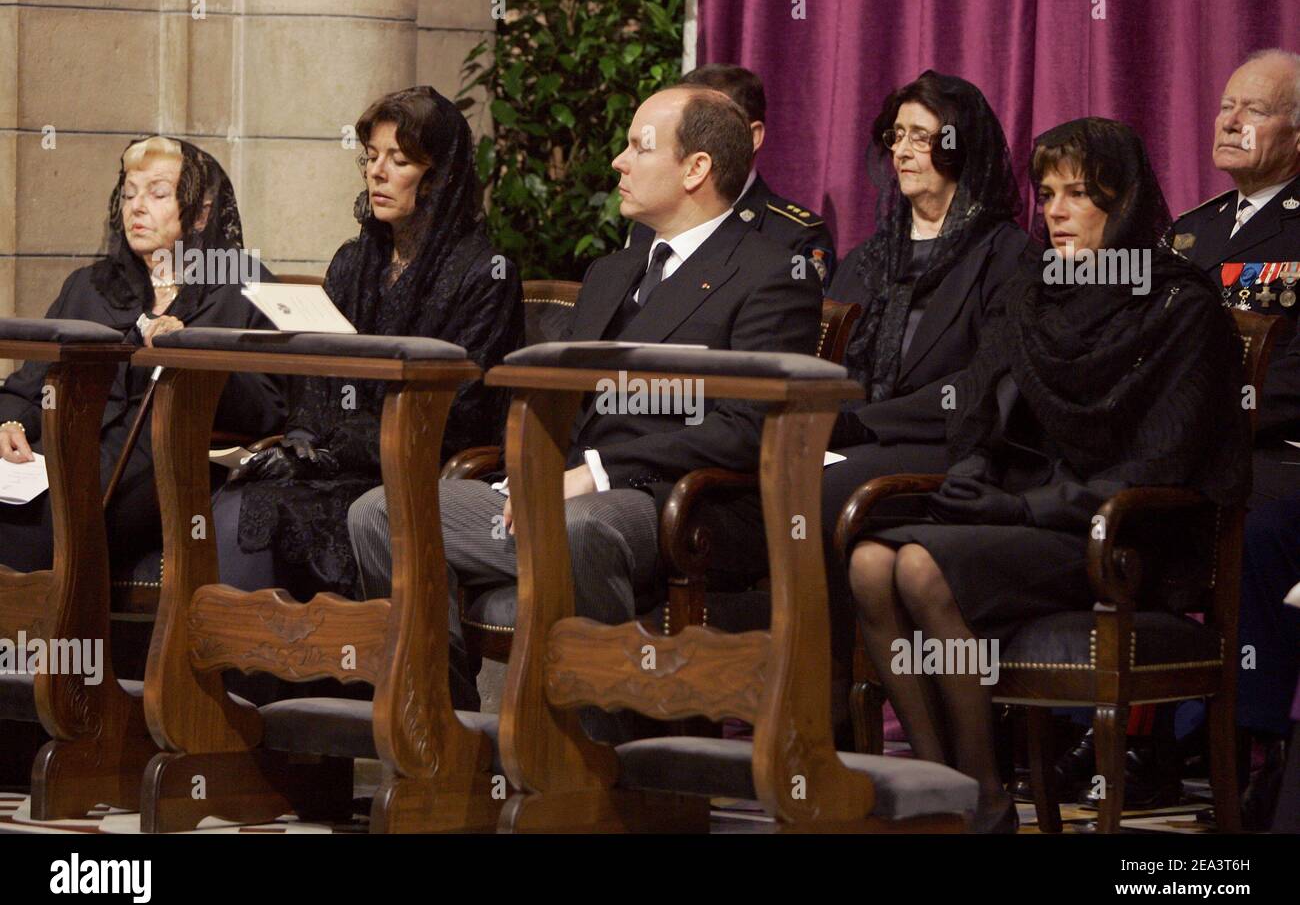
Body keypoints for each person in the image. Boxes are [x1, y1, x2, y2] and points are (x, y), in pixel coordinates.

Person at [348, 85, 823, 713]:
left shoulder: (769, 272)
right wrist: (532, 469)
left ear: (696, 168)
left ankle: (607, 760)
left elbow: (750, 426)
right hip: (559, 490)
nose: (618, 163)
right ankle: (446, 731)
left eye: (637, 147)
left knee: (575, 528)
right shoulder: (611, 273)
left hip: (679, 500)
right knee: (380, 510)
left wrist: (594, 474)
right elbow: (555, 401)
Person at [844, 118, 1249, 832]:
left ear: (1123, 204)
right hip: (1021, 518)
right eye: (1048, 193)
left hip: (1114, 537)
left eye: (1080, 194)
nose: (1056, 211)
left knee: (919, 568)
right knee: (871, 562)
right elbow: (979, 403)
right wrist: (972, 470)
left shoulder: (1181, 307)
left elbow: (1161, 464)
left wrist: (1022, 509)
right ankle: (941, 796)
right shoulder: (1037, 293)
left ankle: (987, 797)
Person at [214, 86, 523, 606]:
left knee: (282, 513)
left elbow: (462, 413)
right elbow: (314, 373)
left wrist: (334, 451)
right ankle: (252, 681)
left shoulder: (484, 274)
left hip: (411, 468)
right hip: (332, 462)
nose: (377, 172)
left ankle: (346, 676)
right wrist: (303, 441)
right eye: (372, 157)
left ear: (439, 176)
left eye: (399, 160)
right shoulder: (352, 262)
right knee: (238, 498)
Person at [817, 72, 1025, 737]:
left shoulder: (1007, 254)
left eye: (920, 137)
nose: (901, 151)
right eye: (895, 136)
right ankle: (817, 714)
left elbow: (982, 387)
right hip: (858, 437)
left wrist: (859, 424)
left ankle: (832, 716)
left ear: (960, 149)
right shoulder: (870, 257)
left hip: (952, 447)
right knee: (775, 479)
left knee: (816, 493)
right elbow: (829, 368)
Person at [0, 136, 284, 573]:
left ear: (200, 211)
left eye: (157, 193)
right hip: (63, 447)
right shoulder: (90, 285)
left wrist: (190, 353)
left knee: (52, 515)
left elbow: (269, 409)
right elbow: (27, 384)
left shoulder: (242, 284)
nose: (136, 207)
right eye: (129, 193)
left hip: (173, 460)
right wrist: (10, 423)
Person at [1163, 48, 1300, 822]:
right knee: (1094, 509)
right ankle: (1132, 731)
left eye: (1254, 110)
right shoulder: (1188, 235)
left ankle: (1253, 747)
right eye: (1224, 106)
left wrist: (1214, 422)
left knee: (1248, 522)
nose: (1230, 121)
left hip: (1279, 448)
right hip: (1197, 445)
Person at [628, 64, 837, 285]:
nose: (687, 138)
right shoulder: (649, 223)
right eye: (684, 124)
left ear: (752, 136)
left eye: (706, 125)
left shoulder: (794, 235)